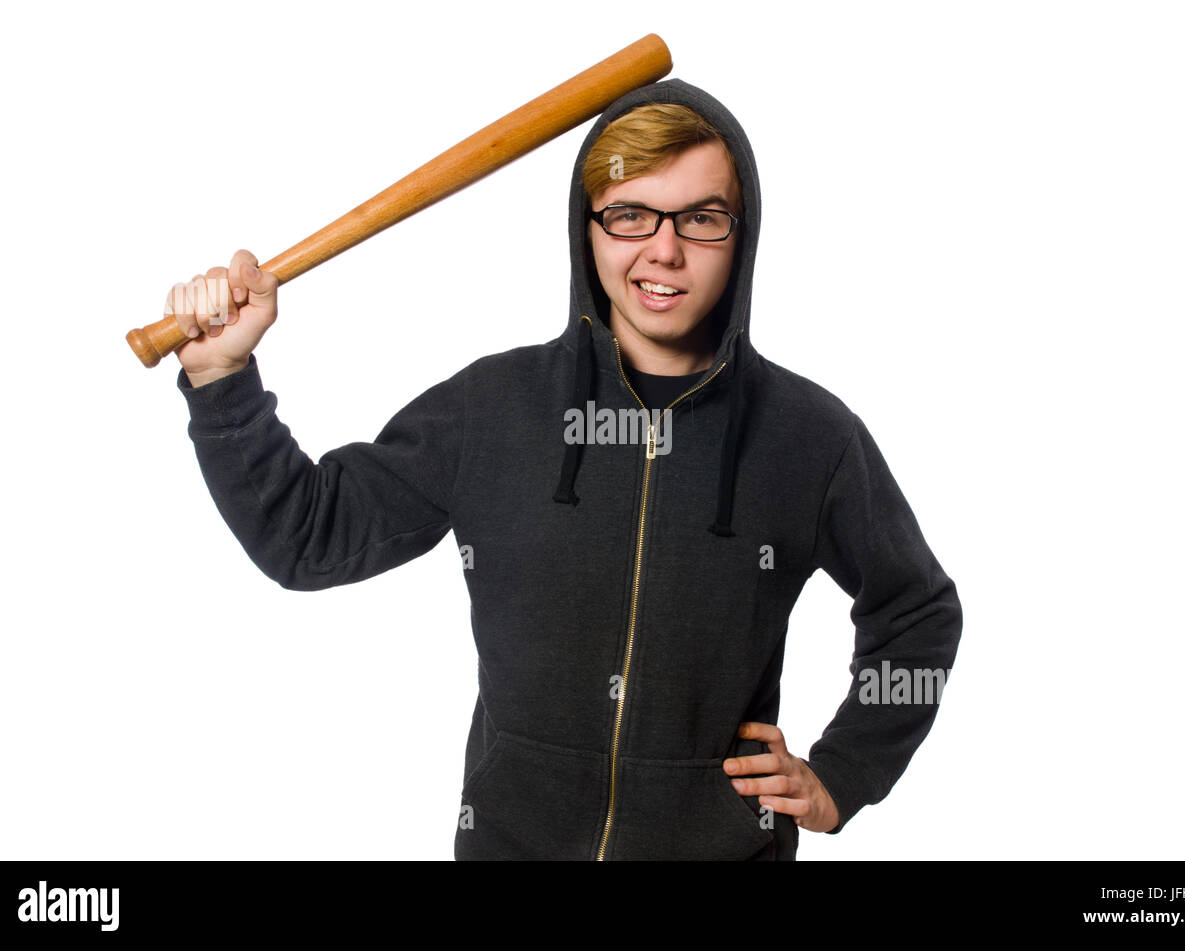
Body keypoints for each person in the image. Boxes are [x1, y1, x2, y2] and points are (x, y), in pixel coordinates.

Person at [168, 79, 963, 860]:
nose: (664, 248)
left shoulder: (808, 438)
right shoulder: (493, 409)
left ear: (742, 235)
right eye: (630, 213)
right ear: (587, 230)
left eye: (702, 218)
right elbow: (307, 538)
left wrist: (844, 772)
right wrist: (221, 382)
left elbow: (918, 610)